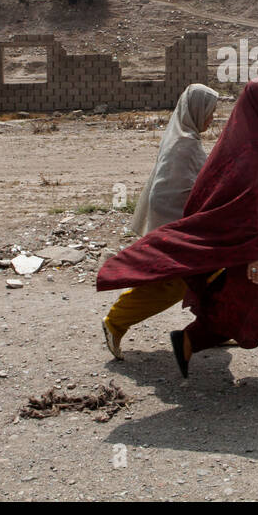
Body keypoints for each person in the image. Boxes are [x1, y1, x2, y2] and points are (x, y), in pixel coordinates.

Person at [97, 79, 258, 394]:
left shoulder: (244, 141)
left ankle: (189, 341)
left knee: (231, 300)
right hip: (239, 245)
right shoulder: (246, 149)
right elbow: (240, 200)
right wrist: (252, 250)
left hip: (227, 241)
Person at [101, 83, 220, 360]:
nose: (212, 119)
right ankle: (115, 322)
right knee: (172, 285)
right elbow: (177, 191)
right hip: (174, 226)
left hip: (175, 225)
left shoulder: (183, 137)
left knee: (214, 274)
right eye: (210, 112)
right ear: (196, 110)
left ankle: (213, 328)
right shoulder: (186, 144)